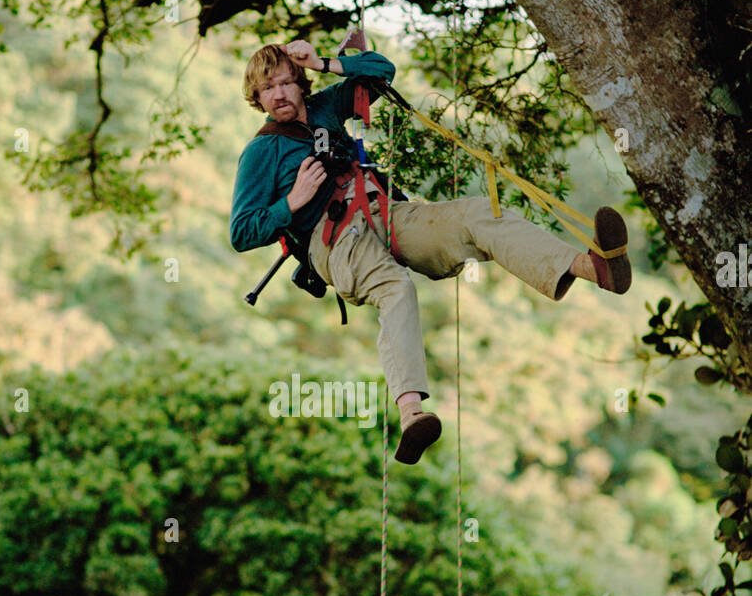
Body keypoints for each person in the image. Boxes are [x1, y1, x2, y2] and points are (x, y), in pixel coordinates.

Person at [231, 40, 631, 464]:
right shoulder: (262, 151)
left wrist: (326, 61)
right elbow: (242, 231)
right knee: (395, 288)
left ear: (300, 83)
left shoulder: (327, 107)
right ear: (256, 99)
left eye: (286, 82)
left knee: (476, 215)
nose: (278, 94)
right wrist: (291, 201)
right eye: (266, 89)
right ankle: (411, 415)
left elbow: (382, 72)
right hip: (335, 242)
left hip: (385, 212)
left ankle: (592, 268)